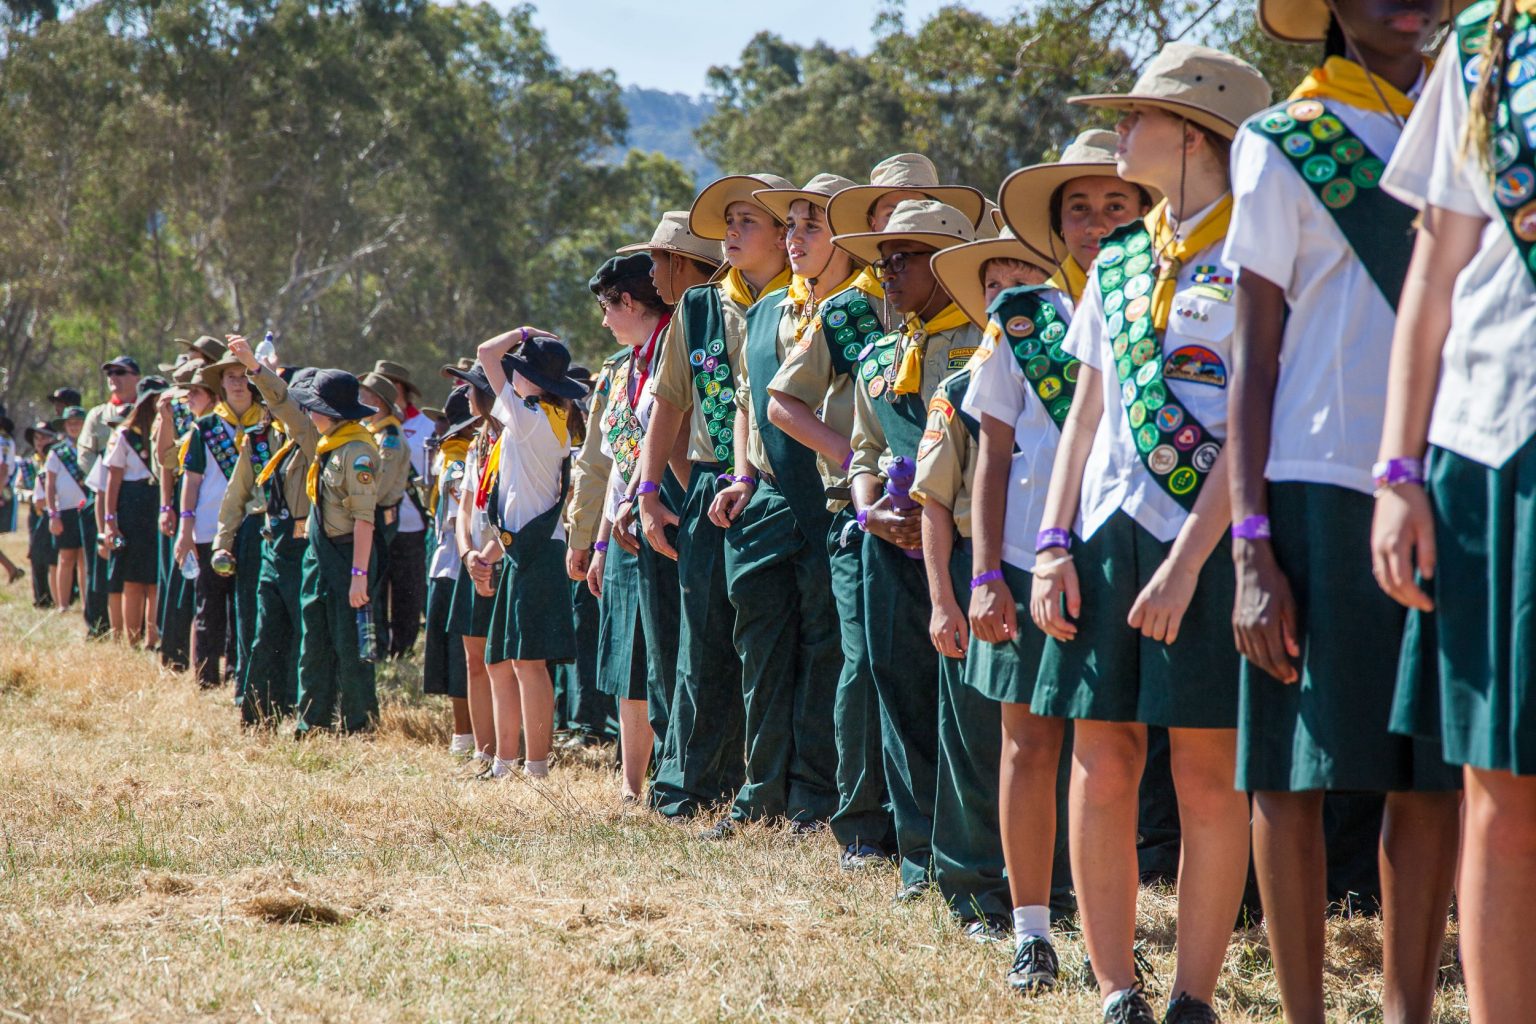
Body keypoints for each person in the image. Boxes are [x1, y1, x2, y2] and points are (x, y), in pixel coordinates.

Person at [1226, 3, 1464, 1022]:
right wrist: (1250, 544)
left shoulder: (1477, 121)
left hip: (1450, 479)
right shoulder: (1281, 140)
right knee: (1293, 769)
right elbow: (1252, 354)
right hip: (1314, 487)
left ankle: (1410, 1009)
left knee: (1432, 774)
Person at [1030, 44, 1270, 1023]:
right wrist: (1051, 542)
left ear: (1196, 134)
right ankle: (1117, 989)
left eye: (1138, 116)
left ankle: (1193, 996)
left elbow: (1254, 423)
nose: (1119, 130)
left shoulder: (1259, 249)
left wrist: (1186, 563)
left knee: (1207, 773)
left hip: (1203, 541)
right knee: (1103, 762)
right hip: (1104, 533)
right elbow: (1084, 416)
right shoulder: (1122, 259)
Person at [1372, 3, 1536, 1019]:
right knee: (1500, 792)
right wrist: (1399, 472)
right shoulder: (1489, 44)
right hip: (1496, 443)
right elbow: (1433, 273)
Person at [695, 173, 871, 838]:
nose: (794, 239)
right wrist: (742, 478)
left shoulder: (866, 308)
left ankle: (813, 797)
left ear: (844, 238)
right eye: (790, 226)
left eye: (810, 226)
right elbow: (746, 399)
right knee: (759, 647)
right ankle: (760, 791)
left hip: (834, 500)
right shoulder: (769, 309)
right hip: (768, 499)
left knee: (827, 650)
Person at [922, 227, 1078, 957]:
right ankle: (1005, 907)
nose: (1006, 298)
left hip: (1095, 551)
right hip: (1001, 562)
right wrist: (966, 587)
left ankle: (1077, 900)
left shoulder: (1094, 337)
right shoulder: (965, 385)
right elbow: (949, 490)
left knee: (1097, 748)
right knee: (1003, 746)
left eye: (1020, 281)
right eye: (993, 286)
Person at [632, 173, 793, 819]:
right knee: (700, 642)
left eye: (747, 220)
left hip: (782, 487)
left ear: (782, 234)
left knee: (770, 646)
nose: (730, 231)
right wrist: (650, 491)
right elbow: (670, 401)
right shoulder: (699, 306)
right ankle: (689, 785)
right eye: (728, 220)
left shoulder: (804, 302)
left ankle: (765, 784)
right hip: (708, 483)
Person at [834, 198, 982, 901]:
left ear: (947, 265)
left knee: (970, 705)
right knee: (899, 694)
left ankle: (975, 852)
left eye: (902, 259)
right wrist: (870, 513)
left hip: (969, 546)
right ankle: (919, 856)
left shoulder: (990, 347)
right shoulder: (877, 357)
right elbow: (863, 450)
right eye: (882, 261)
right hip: (890, 549)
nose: (886, 273)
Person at [572, 253, 682, 801]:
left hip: (665, 519)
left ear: (630, 302)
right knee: (626, 659)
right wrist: (595, 543)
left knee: (667, 655)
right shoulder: (620, 369)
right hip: (619, 532)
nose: (603, 321)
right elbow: (606, 463)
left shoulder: (673, 351)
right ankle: (631, 785)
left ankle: (675, 773)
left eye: (606, 308)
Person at [470, 331, 586, 780]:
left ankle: (534, 768)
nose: (511, 377)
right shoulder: (546, 417)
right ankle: (506, 764)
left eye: (518, 370)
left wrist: (523, 333)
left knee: (528, 663)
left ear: (532, 381)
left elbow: (486, 353)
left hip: (536, 553)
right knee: (501, 661)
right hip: (528, 548)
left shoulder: (528, 417)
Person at [217, 338, 317, 724]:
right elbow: (237, 493)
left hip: (300, 537)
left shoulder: (308, 436)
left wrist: (258, 368)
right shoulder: (258, 437)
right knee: (258, 625)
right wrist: (223, 542)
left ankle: (295, 700)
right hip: (262, 533)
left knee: (299, 625)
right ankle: (256, 702)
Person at [290, 368, 381, 735]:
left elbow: (364, 520)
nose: (309, 413)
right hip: (320, 555)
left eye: (314, 407)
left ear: (330, 412)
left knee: (351, 644)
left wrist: (359, 576)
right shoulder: (328, 444)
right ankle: (313, 721)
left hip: (348, 557)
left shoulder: (357, 451)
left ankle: (359, 725)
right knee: (314, 641)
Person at [176, 360, 261, 688]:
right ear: (221, 383)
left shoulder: (267, 424)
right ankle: (206, 679)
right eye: (231, 377)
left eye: (244, 377)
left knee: (246, 607)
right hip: (209, 529)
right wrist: (185, 530)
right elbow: (192, 480)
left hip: (252, 528)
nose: (238, 383)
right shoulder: (206, 427)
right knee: (209, 606)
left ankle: (242, 676)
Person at [446, 363, 501, 771]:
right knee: (475, 660)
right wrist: (468, 554)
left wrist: (489, 556)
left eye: (472, 388)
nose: (466, 395)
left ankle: (509, 751)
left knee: (506, 664)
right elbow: (465, 509)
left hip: (504, 559)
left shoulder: (515, 440)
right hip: (475, 561)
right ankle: (483, 750)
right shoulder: (476, 444)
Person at [423, 384, 476, 752]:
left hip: (449, 565)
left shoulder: (451, 455)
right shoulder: (459, 461)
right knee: (460, 656)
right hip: (457, 567)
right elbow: (462, 519)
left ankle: (467, 735)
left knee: (461, 655)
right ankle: (464, 734)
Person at [100, 376, 169, 646]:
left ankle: (153, 638)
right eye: (153, 399)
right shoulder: (125, 435)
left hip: (156, 503)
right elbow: (113, 480)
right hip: (131, 506)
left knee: (155, 578)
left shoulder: (168, 431)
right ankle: (133, 639)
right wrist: (110, 520)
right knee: (132, 578)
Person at [371, 359, 431, 658]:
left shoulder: (426, 427)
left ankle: (404, 649)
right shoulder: (369, 428)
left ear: (401, 388)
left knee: (408, 589)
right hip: (377, 521)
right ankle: (379, 646)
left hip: (411, 521)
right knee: (377, 587)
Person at [154, 362, 211, 674]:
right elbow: (167, 459)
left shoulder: (221, 424)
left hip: (213, 512)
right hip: (189, 508)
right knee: (184, 583)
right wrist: (165, 420)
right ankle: (177, 656)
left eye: (193, 391)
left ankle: (204, 663)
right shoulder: (193, 429)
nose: (187, 398)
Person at [80, 355, 140, 637]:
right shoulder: (97, 414)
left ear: (137, 377)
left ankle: (135, 626)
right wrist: (103, 479)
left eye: (120, 372)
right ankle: (98, 623)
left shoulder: (144, 409)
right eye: (110, 373)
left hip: (138, 496)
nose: (113, 378)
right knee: (99, 560)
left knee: (135, 566)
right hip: (102, 493)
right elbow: (85, 453)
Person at [357, 372, 412, 618]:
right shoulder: (374, 431)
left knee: (373, 582)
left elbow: (379, 488)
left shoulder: (390, 439)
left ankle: (376, 636)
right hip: (370, 513)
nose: (359, 400)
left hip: (378, 516)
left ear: (377, 401)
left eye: (363, 396)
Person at [43, 405, 88, 612]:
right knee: (66, 557)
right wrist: (53, 514)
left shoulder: (90, 449)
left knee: (84, 558)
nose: (74, 426)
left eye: (78, 422)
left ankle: (87, 603)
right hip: (66, 510)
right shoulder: (57, 452)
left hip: (86, 509)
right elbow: (50, 485)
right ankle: (63, 604)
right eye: (70, 423)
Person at [20, 422, 57, 605]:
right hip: (37, 513)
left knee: (58, 553)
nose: (41, 441)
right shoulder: (28, 464)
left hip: (57, 510)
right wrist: (32, 496)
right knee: (37, 554)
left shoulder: (59, 460)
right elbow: (18, 489)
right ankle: (42, 597)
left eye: (45, 437)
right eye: (37, 438)